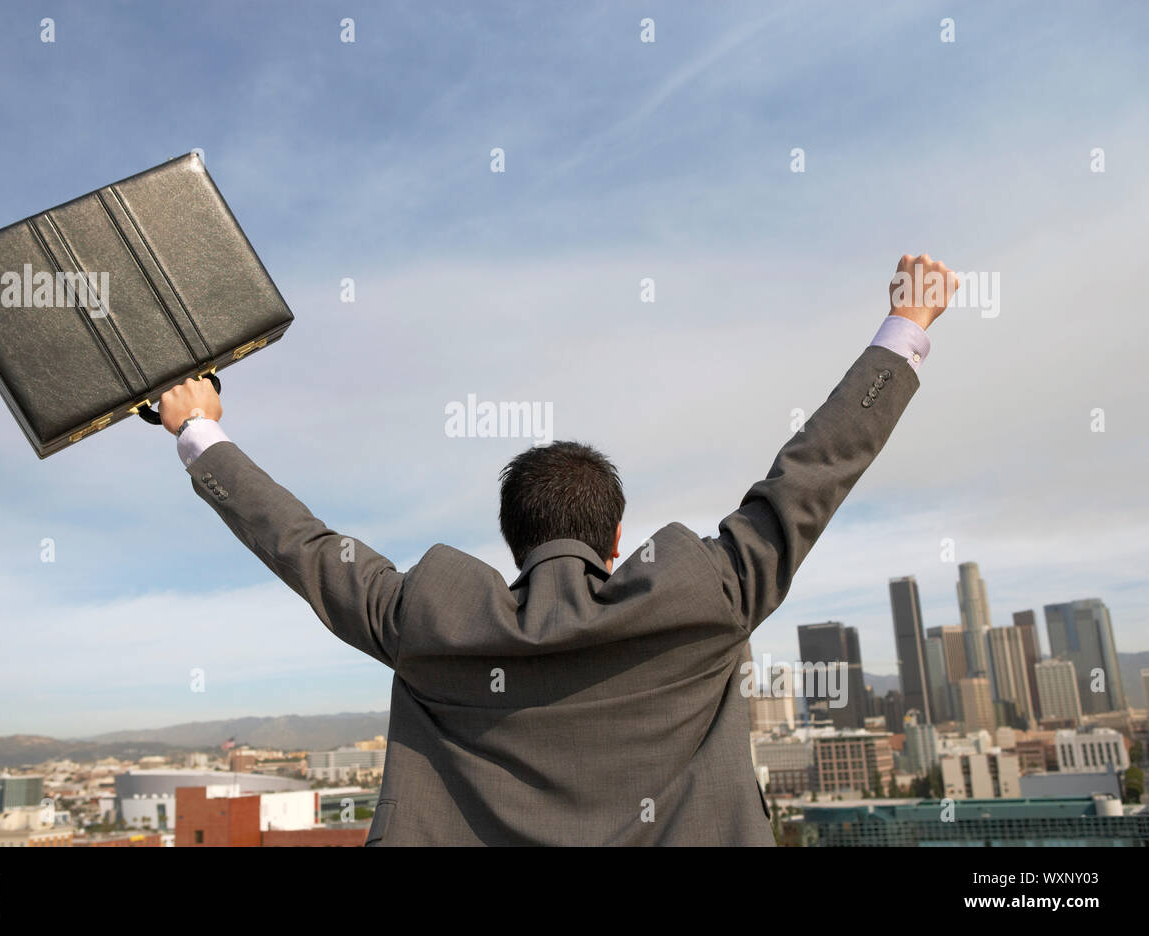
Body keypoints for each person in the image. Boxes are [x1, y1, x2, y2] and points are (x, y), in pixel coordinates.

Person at [159, 254, 958, 845]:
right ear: (616, 537)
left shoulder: (428, 619)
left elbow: (302, 546)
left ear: (513, 539)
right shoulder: (705, 596)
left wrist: (199, 426)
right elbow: (812, 473)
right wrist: (906, 327)